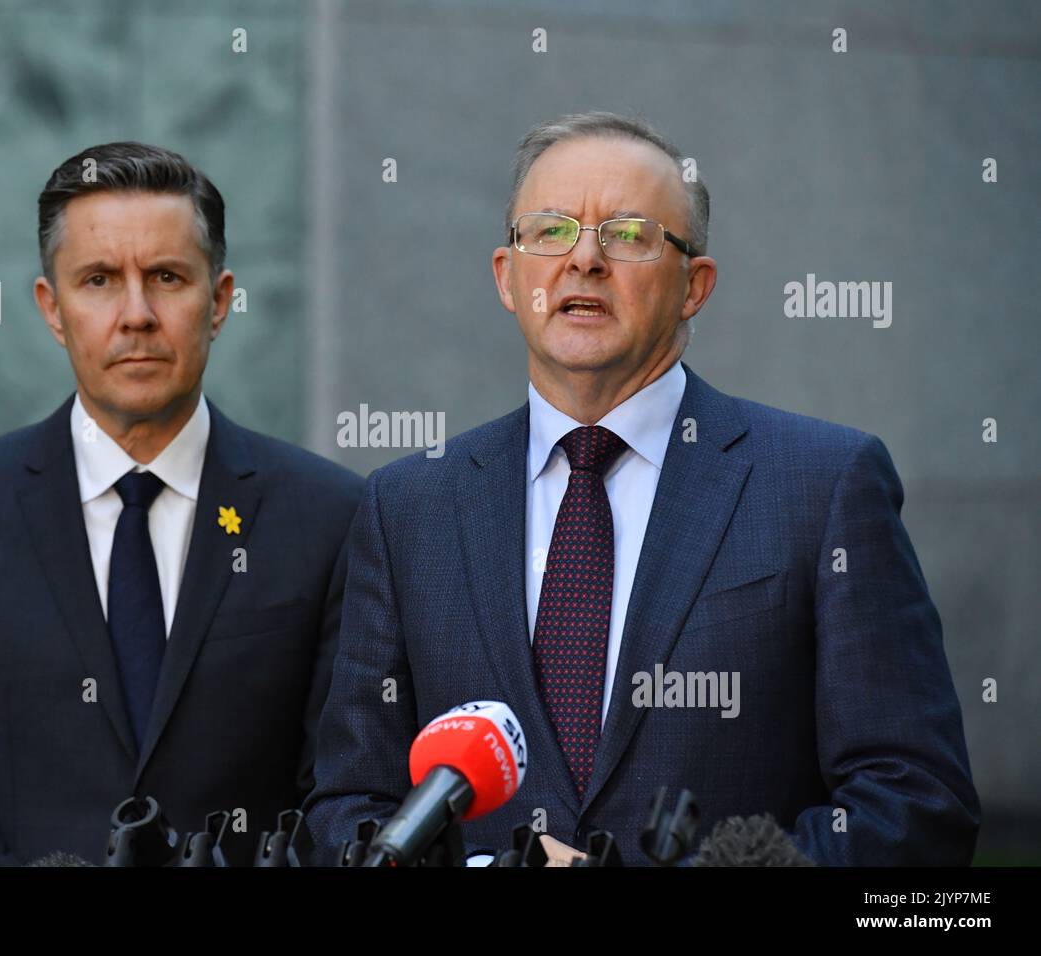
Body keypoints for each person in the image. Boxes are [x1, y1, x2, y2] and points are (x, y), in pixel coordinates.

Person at [303, 112, 979, 866]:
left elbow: (913, 804)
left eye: (628, 234)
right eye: (551, 231)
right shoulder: (407, 507)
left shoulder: (823, 484)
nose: (585, 260)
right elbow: (349, 803)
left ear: (695, 286)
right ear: (506, 276)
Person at [0, 142, 363, 866]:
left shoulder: (327, 517)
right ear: (53, 308)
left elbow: (342, 789)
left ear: (218, 301)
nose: (136, 314)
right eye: (98, 280)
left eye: (166, 277)